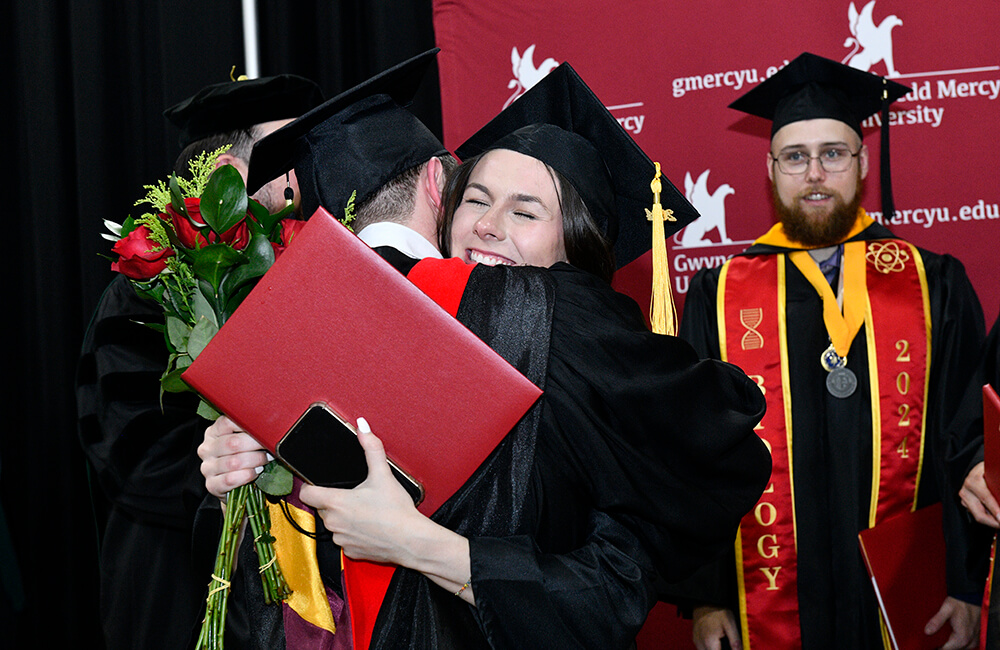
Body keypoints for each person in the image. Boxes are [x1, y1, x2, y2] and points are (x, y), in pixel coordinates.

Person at [201, 60, 772, 648]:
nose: (489, 227)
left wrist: (420, 545)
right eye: (475, 200)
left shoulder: (578, 344)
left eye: (526, 212)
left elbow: (610, 591)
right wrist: (244, 482)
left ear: (576, 246)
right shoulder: (386, 331)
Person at [675, 52, 987, 650]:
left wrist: (966, 585)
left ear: (862, 162)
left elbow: (965, 440)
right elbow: (697, 453)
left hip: (908, 594)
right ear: (770, 171)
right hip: (767, 591)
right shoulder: (719, 293)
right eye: (795, 157)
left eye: (833, 153)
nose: (814, 173)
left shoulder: (933, 283)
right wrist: (708, 598)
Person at [75, 73, 323, 650]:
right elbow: (129, 441)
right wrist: (233, 462)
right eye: (288, 155)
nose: (303, 175)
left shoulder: (299, 261)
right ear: (226, 177)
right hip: (174, 572)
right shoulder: (155, 280)